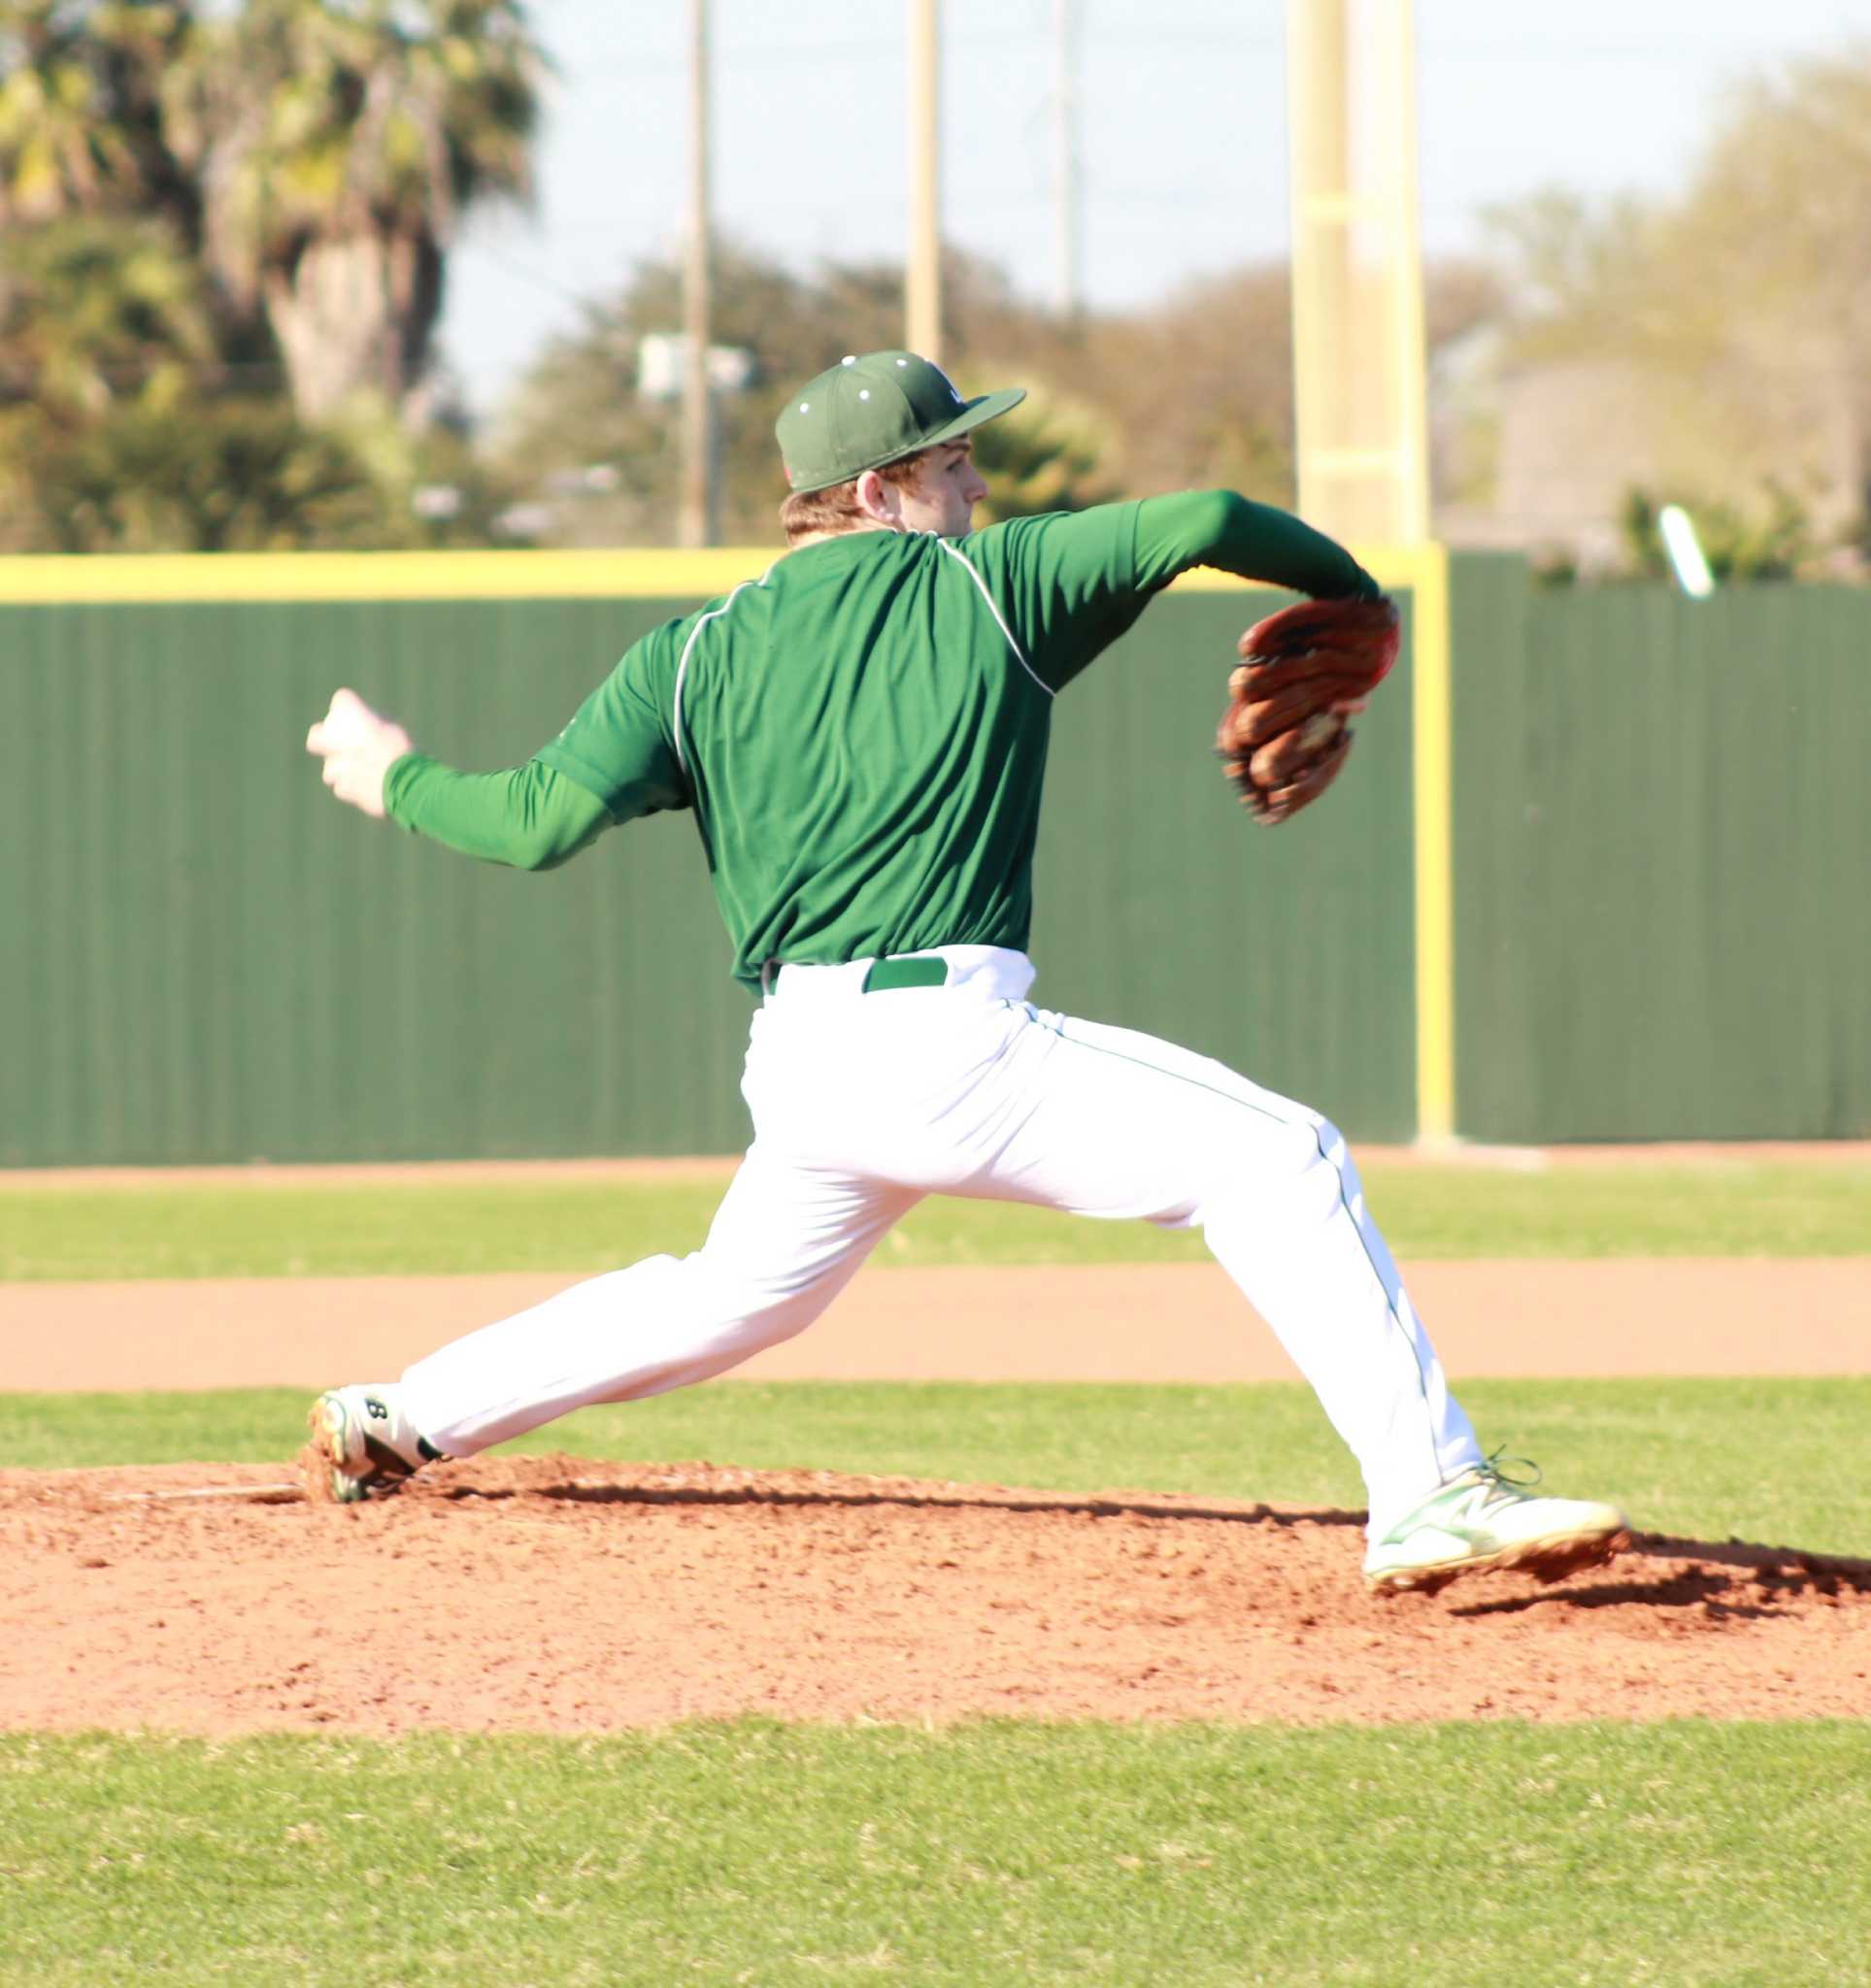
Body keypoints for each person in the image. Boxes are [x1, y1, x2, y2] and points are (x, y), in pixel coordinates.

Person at [303, 348, 1628, 1595]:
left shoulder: (692, 656)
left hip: (807, 1064)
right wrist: (1351, 598)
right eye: (949, 465)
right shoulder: (992, 585)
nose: (978, 484)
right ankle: (1431, 1491)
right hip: (950, 1045)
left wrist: (391, 776)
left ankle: (407, 1414)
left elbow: (532, 825)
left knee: (729, 1299)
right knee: (1284, 1159)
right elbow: (1215, 512)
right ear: (878, 492)